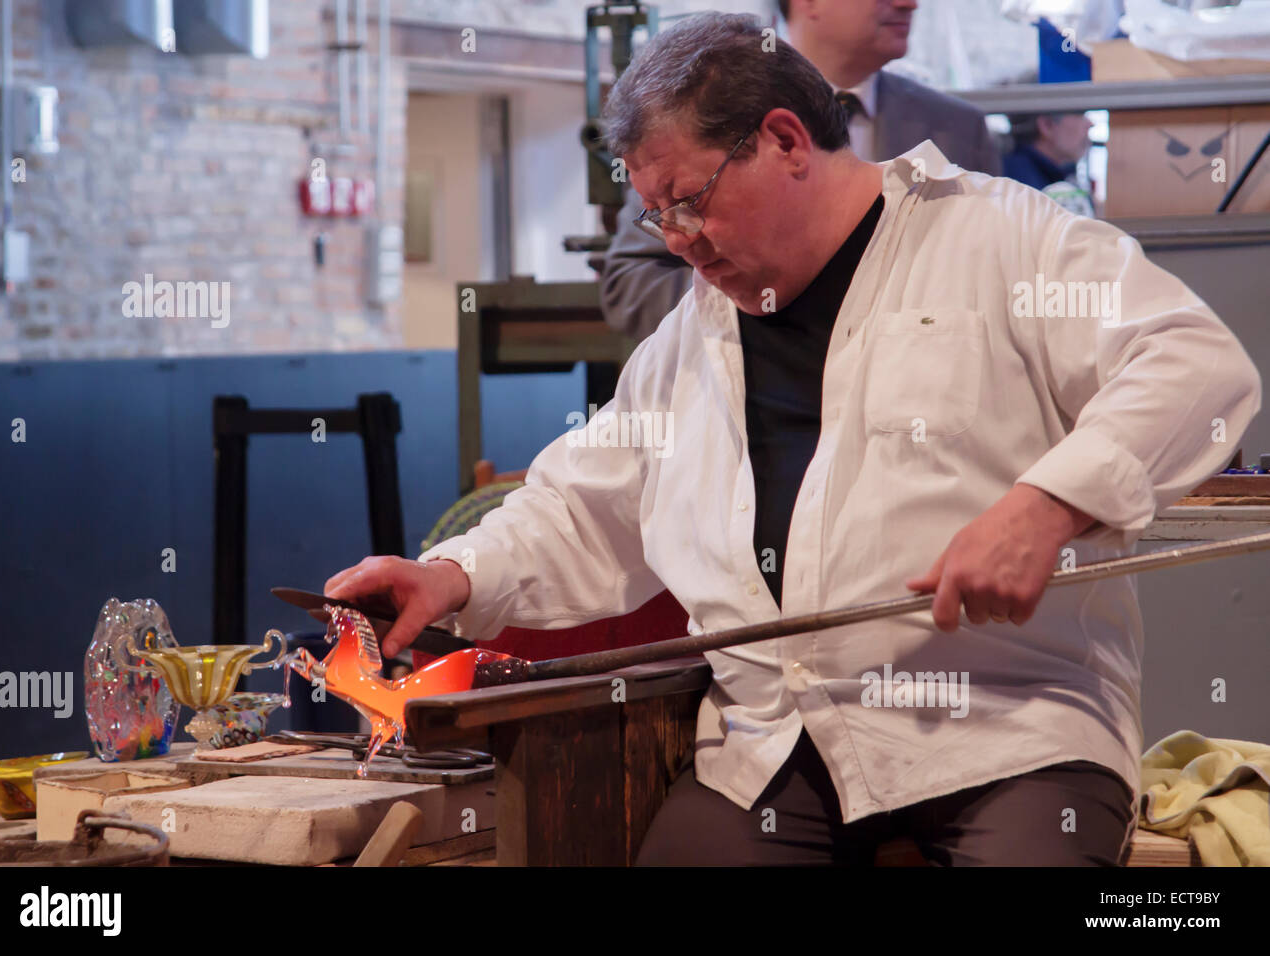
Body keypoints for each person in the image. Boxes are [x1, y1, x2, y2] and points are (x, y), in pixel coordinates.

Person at [324, 14, 1260, 865]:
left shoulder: (1005, 241)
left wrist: (1045, 508)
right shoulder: (694, 335)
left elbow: (1195, 366)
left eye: (688, 201)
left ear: (782, 141)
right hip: (775, 745)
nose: (679, 241)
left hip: (1009, 733)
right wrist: (453, 576)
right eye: (658, 216)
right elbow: (584, 504)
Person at [601, 0, 1001, 342]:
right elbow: (631, 281)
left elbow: (988, 270)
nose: (908, 3)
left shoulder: (958, 127)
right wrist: (755, 295)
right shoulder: (696, 113)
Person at [1005, 111, 1096, 215]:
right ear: (1047, 125)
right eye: (1079, 114)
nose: (1090, 124)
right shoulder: (1020, 184)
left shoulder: (1052, 174)